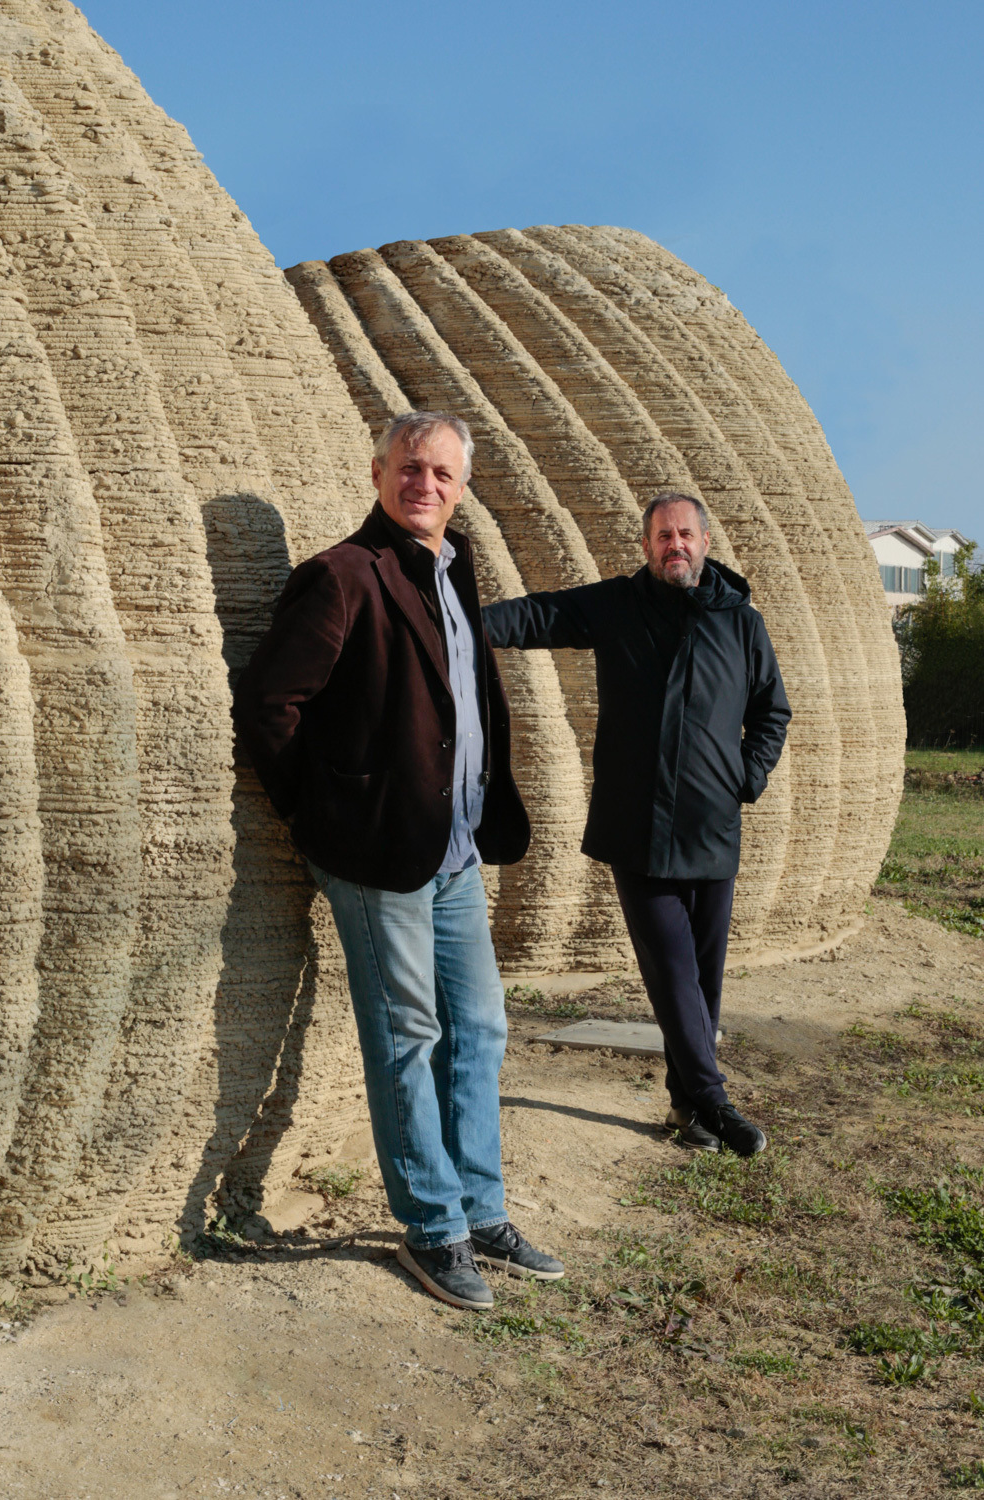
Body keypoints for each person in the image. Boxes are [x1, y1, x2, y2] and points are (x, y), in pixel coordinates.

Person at [234, 410, 564, 1309]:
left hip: (452, 852)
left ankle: (482, 1209)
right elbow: (271, 704)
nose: (425, 485)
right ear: (379, 472)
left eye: (442, 475)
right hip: (377, 856)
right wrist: (321, 813)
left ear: (461, 489)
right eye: (410, 469)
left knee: (480, 1031)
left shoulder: (456, 575)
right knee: (408, 1037)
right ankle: (432, 1228)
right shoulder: (343, 575)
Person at [483, 493, 791, 1156]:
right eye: (660, 536)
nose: (672, 545)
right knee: (672, 970)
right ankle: (715, 1100)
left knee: (703, 980)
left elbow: (771, 712)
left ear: (705, 541)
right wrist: (454, 624)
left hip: (712, 827)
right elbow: (537, 615)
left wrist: (746, 777)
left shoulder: (741, 624)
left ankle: (688, 1108)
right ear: (646, 544)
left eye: (683, 534)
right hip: (637, 827)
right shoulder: (617, 605)